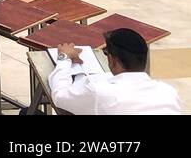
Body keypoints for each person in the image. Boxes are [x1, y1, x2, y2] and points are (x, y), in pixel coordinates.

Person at [49, 28, 181, 115]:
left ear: (112, 60)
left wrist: (64, 58)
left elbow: (60, 96)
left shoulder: (100, 92)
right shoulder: (168, 92)